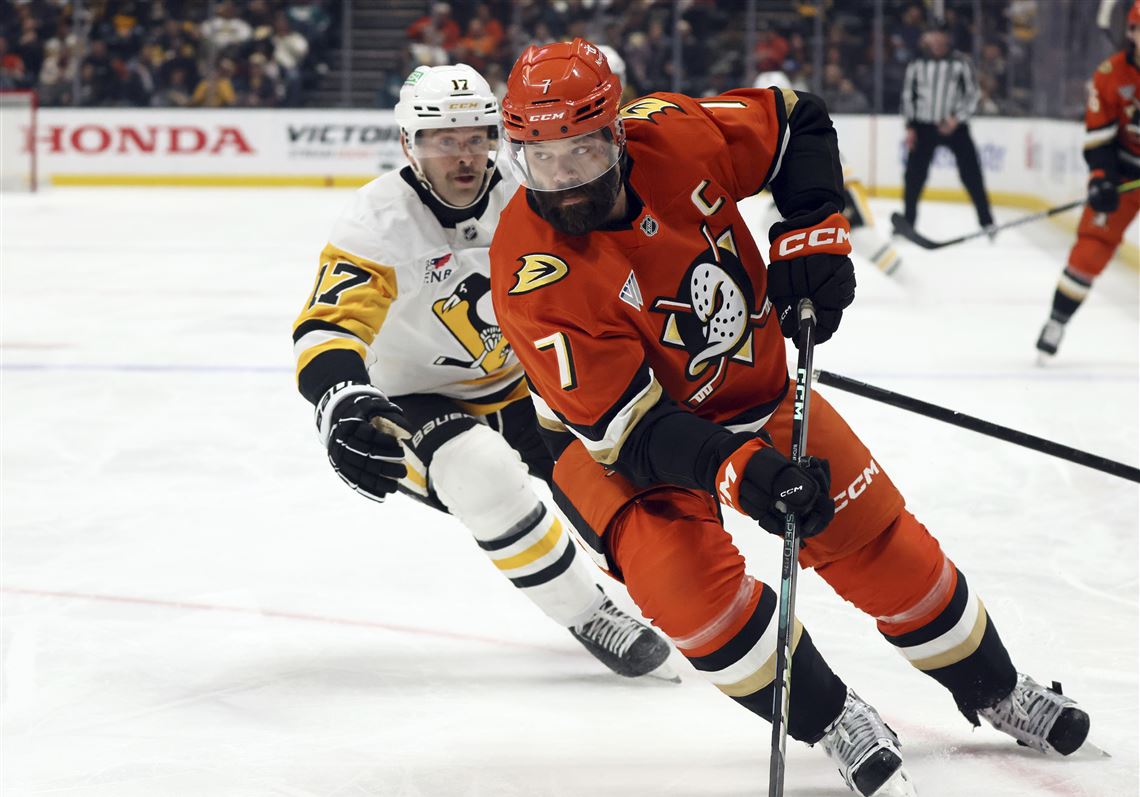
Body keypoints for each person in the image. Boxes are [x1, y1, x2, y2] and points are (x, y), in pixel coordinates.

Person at [488, 39, 1091, 796]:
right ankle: (832, 716)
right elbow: (632, 431)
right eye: (540, 162)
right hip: (619, 450)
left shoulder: (672, 132)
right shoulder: (529, 271)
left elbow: (797, 122)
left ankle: (996, 686)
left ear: (615, 132)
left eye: (578, 154)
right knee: (690, 596)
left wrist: (812, 230)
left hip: (755, 390)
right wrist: (741, 472)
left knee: (879, 543)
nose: (563, 182)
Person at [291, 63, 672, 681]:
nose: (464, 156)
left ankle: (685, 596)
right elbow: (329, 326)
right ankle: (588, 612)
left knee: (611, 490)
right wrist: (339, 396)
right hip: (414, 397)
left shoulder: (531, 194)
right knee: (482, 473)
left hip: (525, 383)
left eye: (477, 137)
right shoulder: (377, 220)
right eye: (446, 140)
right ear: (408, 144)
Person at [1036, 0, 1140, 360]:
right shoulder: (1110, 73)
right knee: (1090, 248)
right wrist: (1101, 179)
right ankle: (1057, 320)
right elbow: (1099, 138)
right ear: (1131, 32)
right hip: (1126, 173)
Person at [899, 22, 994, 235]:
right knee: (914, 176)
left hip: (955, 127)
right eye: (935, 35)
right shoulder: (917, 63)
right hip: (924, 126)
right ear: (929, 37)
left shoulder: (960, 63)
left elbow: (972, 94)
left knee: (971, 174)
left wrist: (956, 119)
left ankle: (987, 222)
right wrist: (910, 126)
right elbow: (908, 95)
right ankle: (907, 222)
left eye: (942, 36)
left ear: (948, 39)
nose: (938, 40)